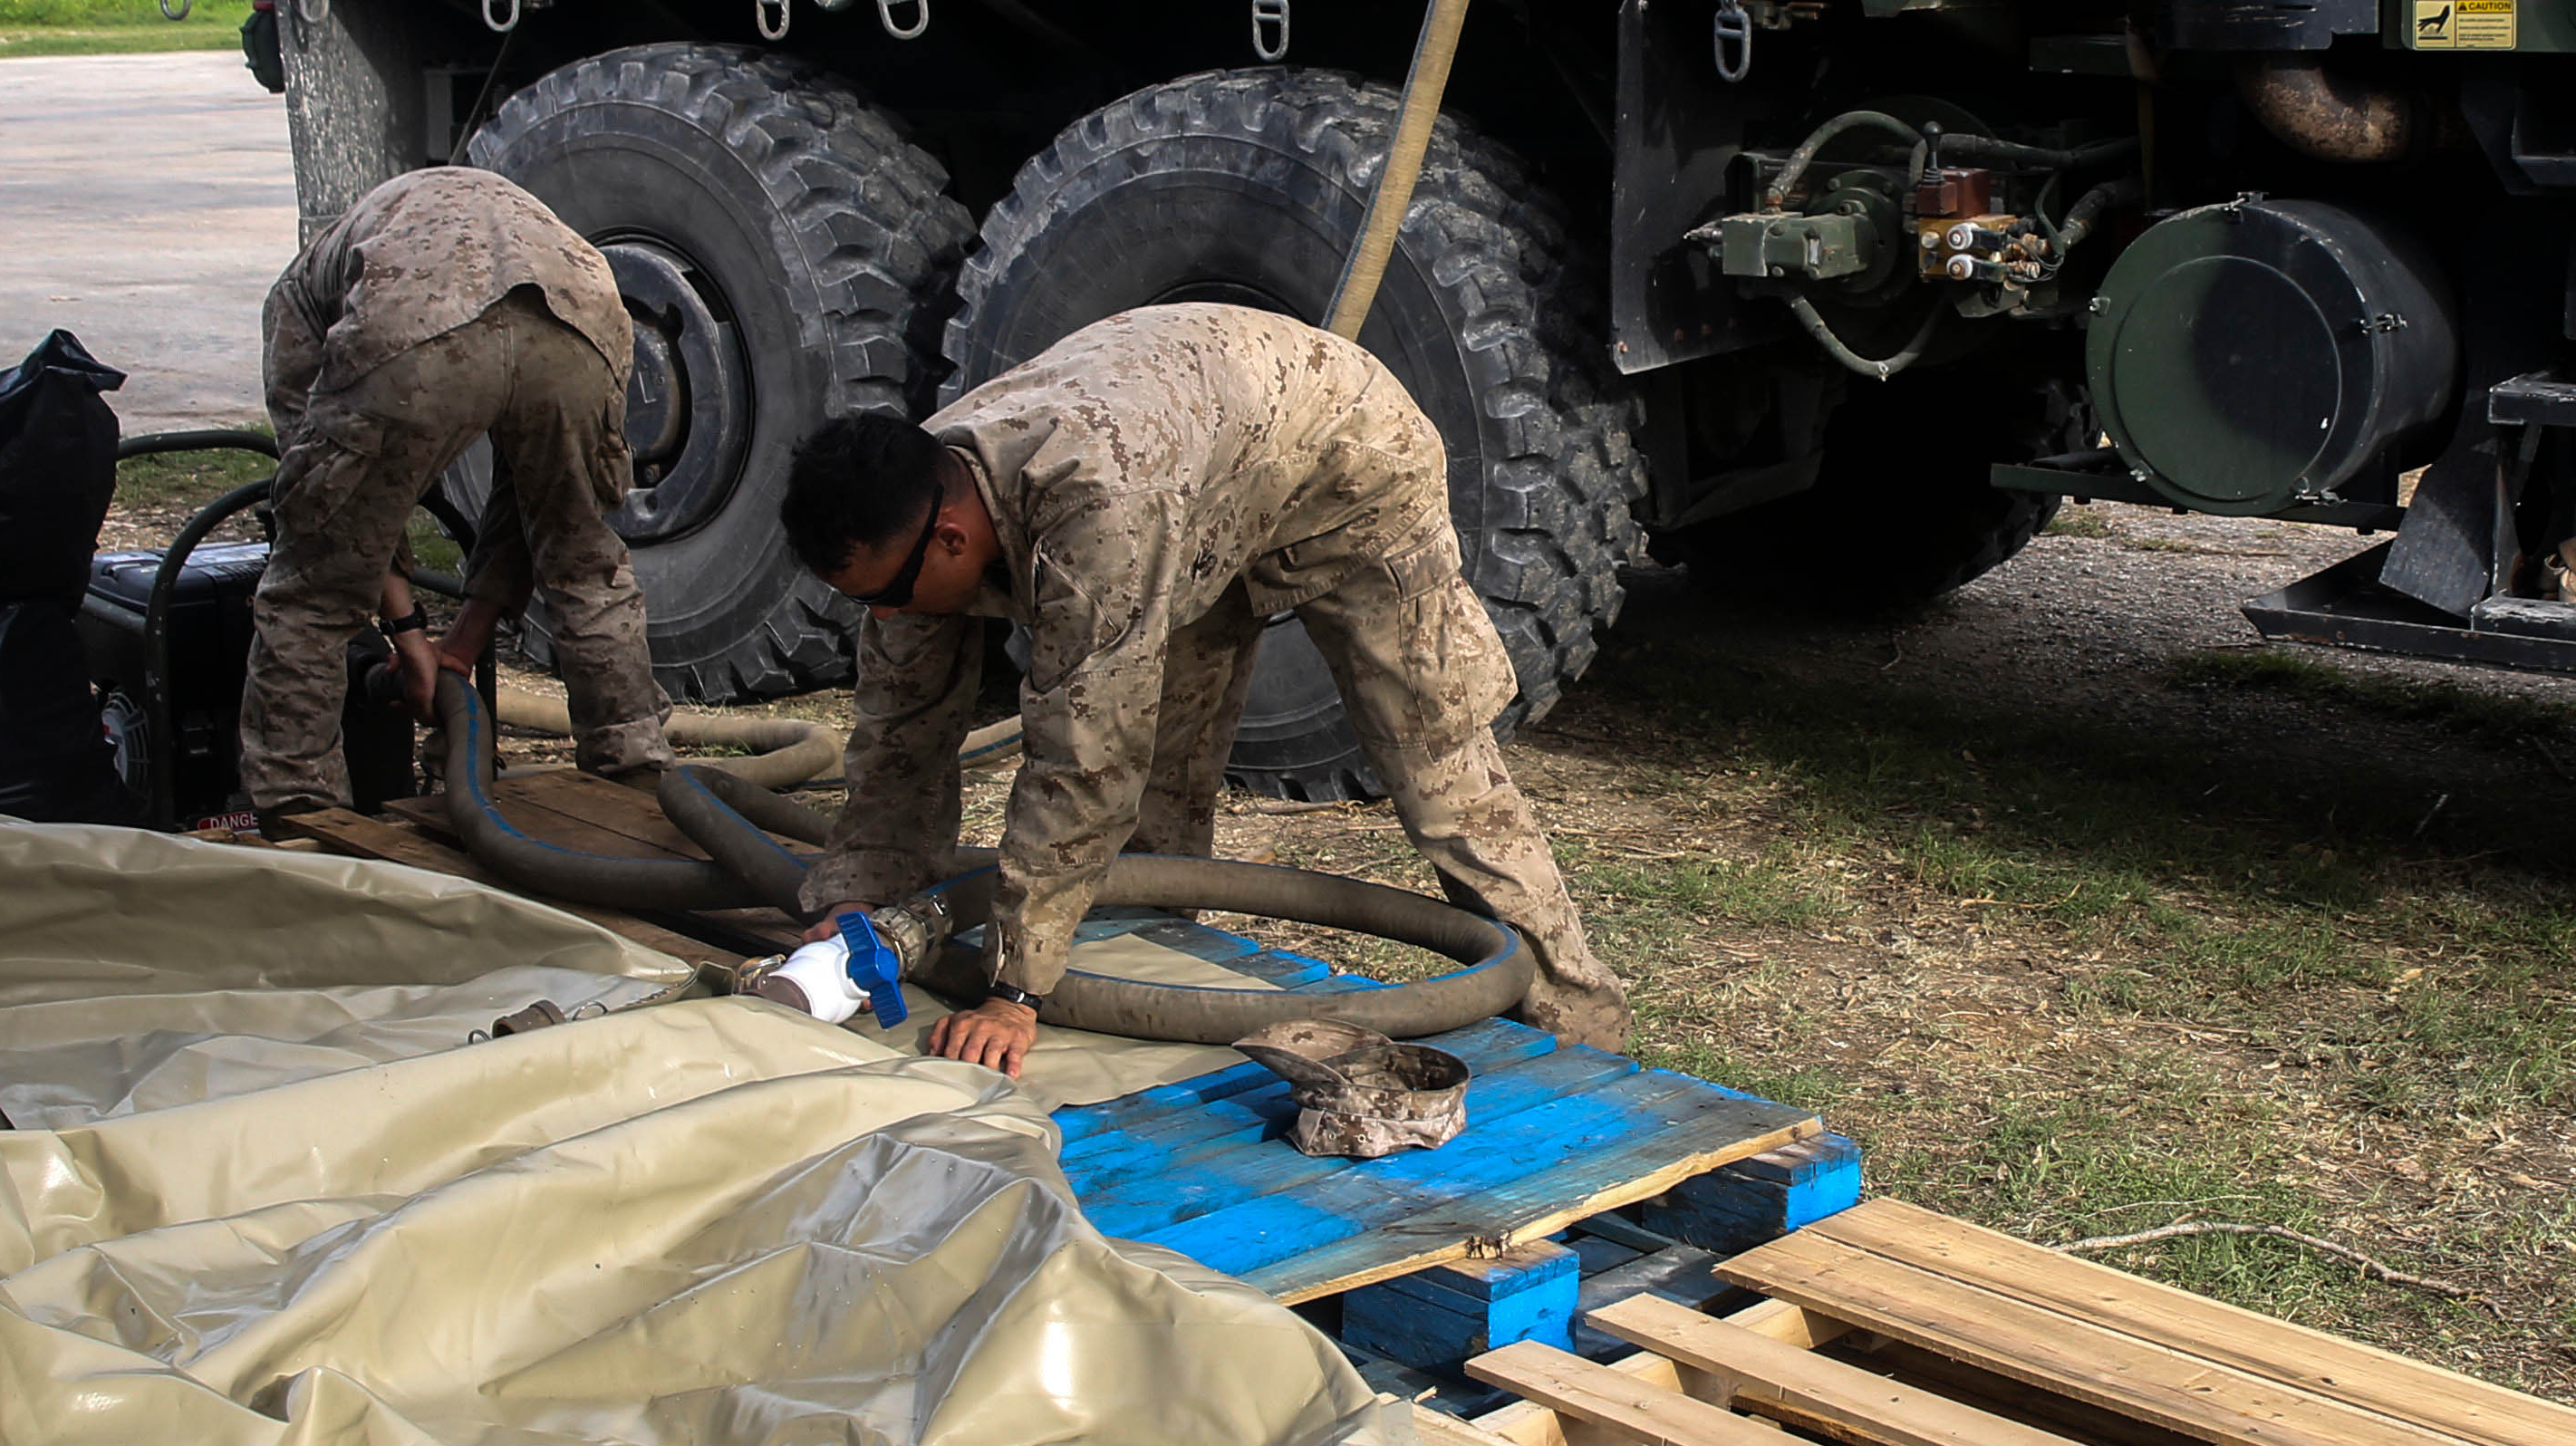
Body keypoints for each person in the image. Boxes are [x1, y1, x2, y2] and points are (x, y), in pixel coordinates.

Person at [775, 302, 1628, 1070]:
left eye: (890, 595)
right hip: (1203, 474)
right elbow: (902, 724)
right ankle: (1142, 968)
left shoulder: (1095, 510)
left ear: (954, 540)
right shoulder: (908, 506)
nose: (885, 617)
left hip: (1348, 458)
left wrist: (1014, 990)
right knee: (1161, 775)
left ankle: (1580, 1035)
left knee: (1439, 773)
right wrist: (863, 890)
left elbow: (1083, 760)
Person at [238, 165, 668, 829]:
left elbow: (332, 516)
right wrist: (453, 647)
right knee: (583, 563)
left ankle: (301, 814)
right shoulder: (446, 208)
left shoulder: (297, 292)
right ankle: (635, 775)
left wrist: (407, 634)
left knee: (311, 593)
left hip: (419, 315)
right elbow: (527, 504)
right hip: (581, 310)